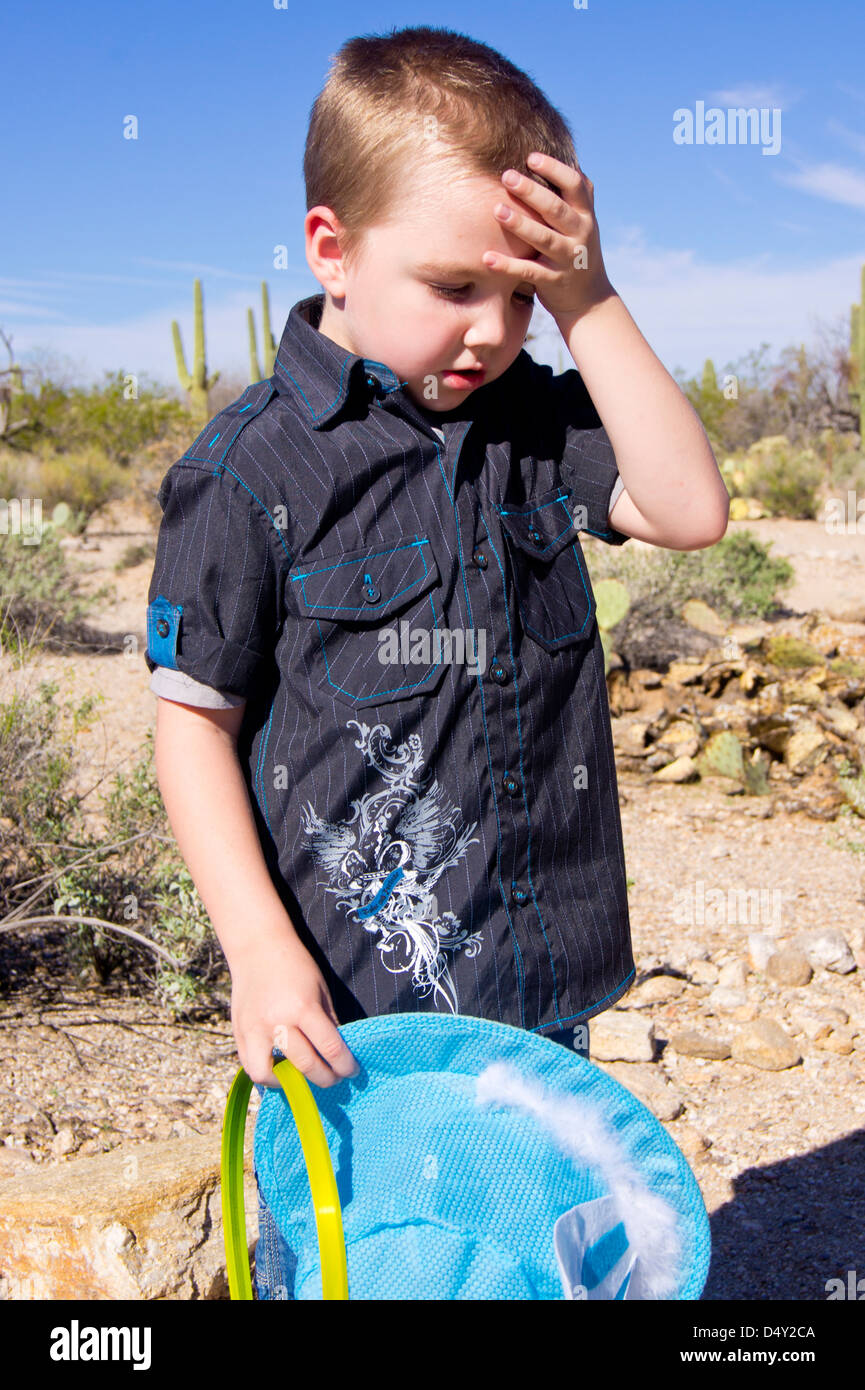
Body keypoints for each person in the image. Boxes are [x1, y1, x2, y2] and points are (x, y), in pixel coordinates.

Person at [144, 25, 729, 1298]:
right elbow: (189, 721)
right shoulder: (249, 471)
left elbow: (688, 509)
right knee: (376, 1263)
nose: (491, 330)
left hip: (538, 987)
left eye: (519, 294)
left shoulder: (531, 423)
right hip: (360, 1015)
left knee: (520, 1259)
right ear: (331, 250)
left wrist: (589, 293)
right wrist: (254, 945)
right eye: (454, 286)